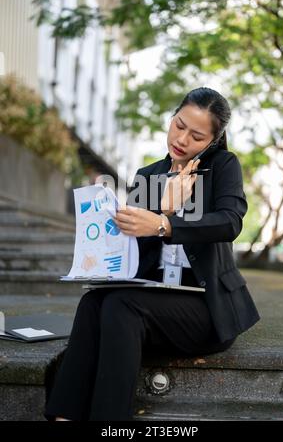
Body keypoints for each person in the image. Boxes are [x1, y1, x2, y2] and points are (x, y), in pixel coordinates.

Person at [44, 87, 260, 422]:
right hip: (154, 301)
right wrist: (157, 210)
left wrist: (167, 222)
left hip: (207, 306)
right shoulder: (147, 176)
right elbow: (135, 252)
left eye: (197, 135)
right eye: (179, 125)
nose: (182, 139)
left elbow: (229, 222)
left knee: (122, 305)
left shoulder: (223, 167)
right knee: (94, 303)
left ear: (213, 141)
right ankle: (64, 416)